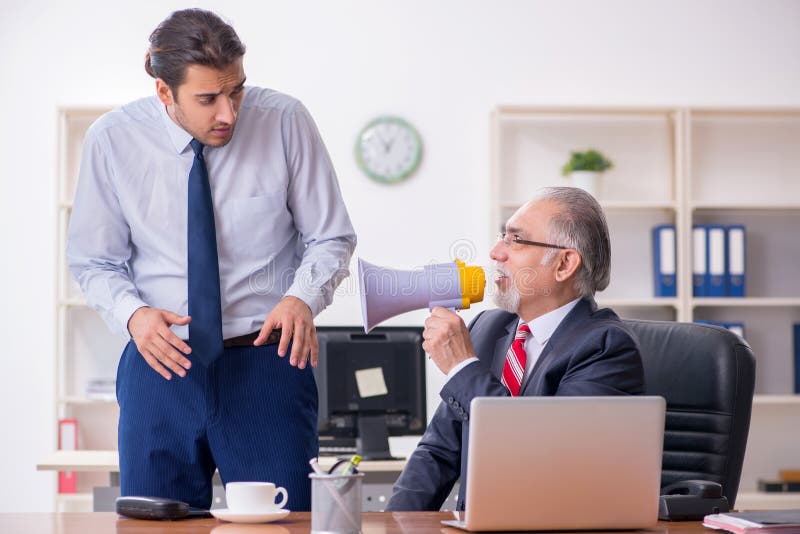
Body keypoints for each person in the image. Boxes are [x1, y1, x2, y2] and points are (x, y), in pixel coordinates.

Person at [66, 8, 356, 511]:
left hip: (268, 362)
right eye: (208, 99)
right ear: (164, 92)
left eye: (237, 89)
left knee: (283, 525)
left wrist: (300, 297)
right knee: (153, 523)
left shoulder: (285, 121)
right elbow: (93, 260)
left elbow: (331, 236)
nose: (229, 113)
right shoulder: (112, 140)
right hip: (162, 364)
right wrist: (133, 315)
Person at [386, 186, 645, 511]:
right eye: (501, 236)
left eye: (516, 240)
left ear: (564, 264)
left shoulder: (605, 348)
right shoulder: (488, 328)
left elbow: (542, 461)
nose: (496, 252)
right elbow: (437, 452)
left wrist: (463, 368)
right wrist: (393, 524)